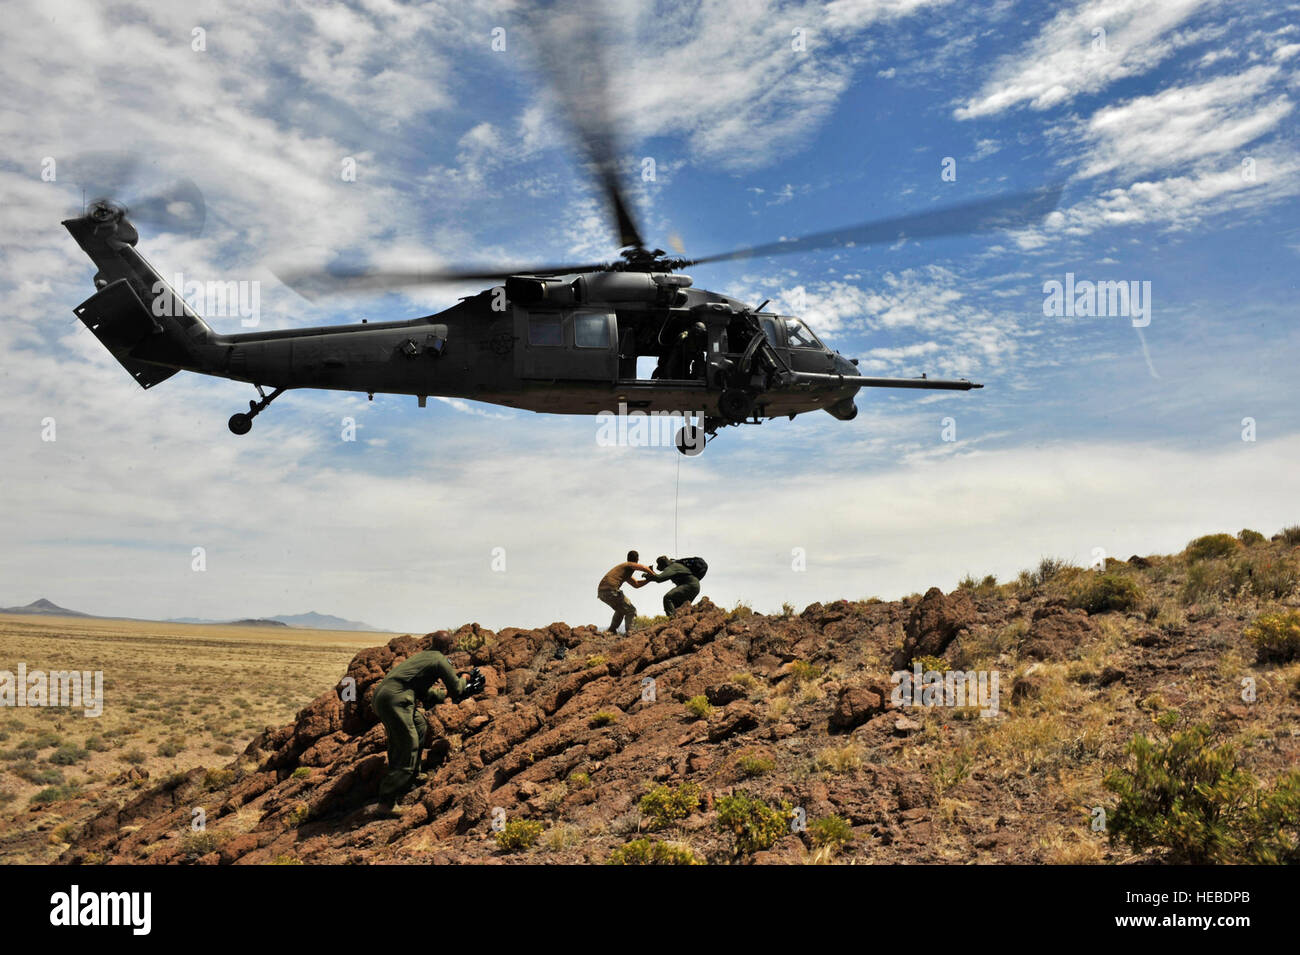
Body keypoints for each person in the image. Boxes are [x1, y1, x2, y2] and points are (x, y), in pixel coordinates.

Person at [371, 638, 485, 811]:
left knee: (420, 725)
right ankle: (387, 802)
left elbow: (422, 690)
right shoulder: (439, 659)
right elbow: (457, 689)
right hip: (395, 701)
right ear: (449, 646)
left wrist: (443, 693)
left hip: (385, 697)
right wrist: (465, 678)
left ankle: (412, 776)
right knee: (409, 744)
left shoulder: (424, 656)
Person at [598, 550, 653, 635]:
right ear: (637, 559)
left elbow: (636, 584)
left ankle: (611, 630)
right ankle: (630, 632)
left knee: (621, 610)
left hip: (602, 592)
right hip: (611, 590)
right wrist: (654, 574)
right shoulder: (628, 564)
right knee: (631, 610)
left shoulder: (625, 571)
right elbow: (644, 568)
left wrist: (648, 580)